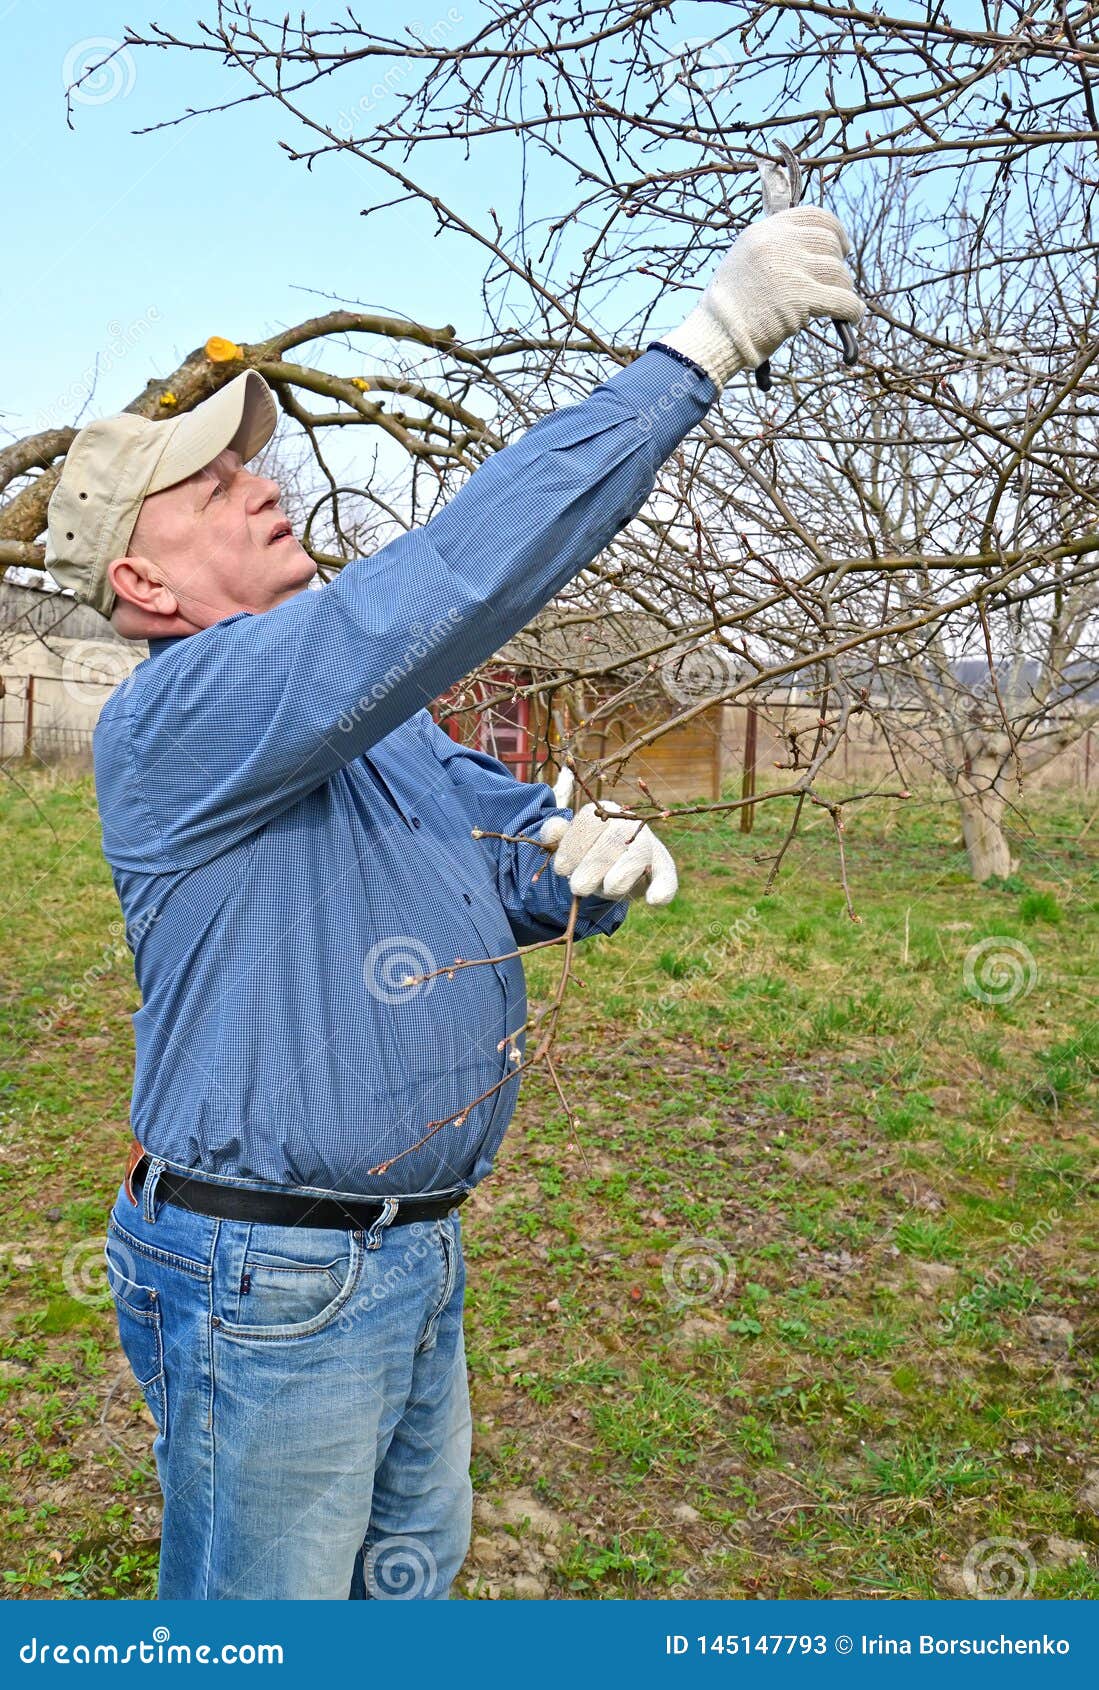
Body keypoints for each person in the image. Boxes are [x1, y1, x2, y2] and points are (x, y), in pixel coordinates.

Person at [44, 203, 863, 1600]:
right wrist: (703, 348)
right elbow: (434, 592)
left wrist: (587, 861)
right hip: (270, 1283)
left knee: (403, 1609)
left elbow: (501, 851)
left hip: (408, 1262)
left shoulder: (369, 730)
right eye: (208, 486)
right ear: (141, 578)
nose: (257, 482)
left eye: (252, 460)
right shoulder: (177, 715)